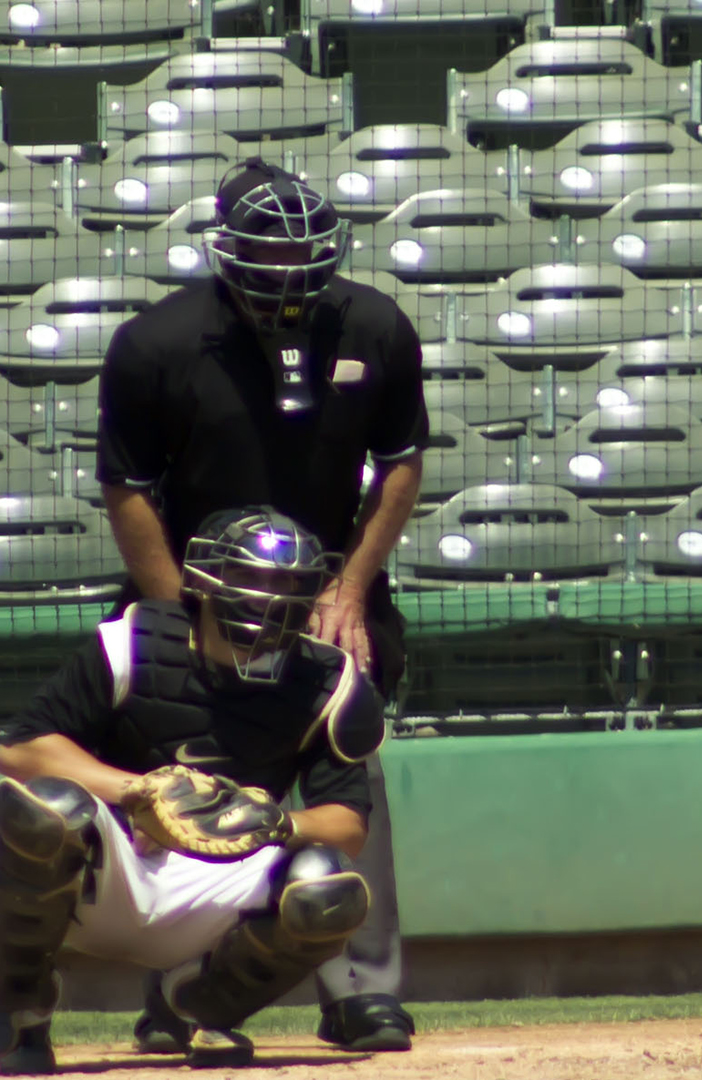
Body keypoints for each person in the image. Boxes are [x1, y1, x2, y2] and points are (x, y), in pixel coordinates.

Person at [95, 157, 426, 1053]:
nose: (289, 281)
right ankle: (176, 997)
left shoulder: (375, 325)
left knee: (347, 759)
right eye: (268, 261)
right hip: (199, 596)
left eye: (304, 264)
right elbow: (127, 489)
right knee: (186, 780)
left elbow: (400, 464)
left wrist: (351, 589)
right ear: (228, 254)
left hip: (323, 597)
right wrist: (176, 625)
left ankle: (360, 991)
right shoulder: (157, 344)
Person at [0, 508, 386, 1073]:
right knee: (46, 813)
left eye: (288, 583)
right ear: (208, 580)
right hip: (112, 867)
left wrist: (279, 824)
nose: (272, 598)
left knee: (326, 886)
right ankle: (19, 1016)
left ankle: (199, 1004)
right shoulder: (133, 641)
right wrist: (139, 791)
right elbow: (19, 751)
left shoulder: (328, 680)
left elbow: (348, 823)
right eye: (255, 578)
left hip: (219, 880)